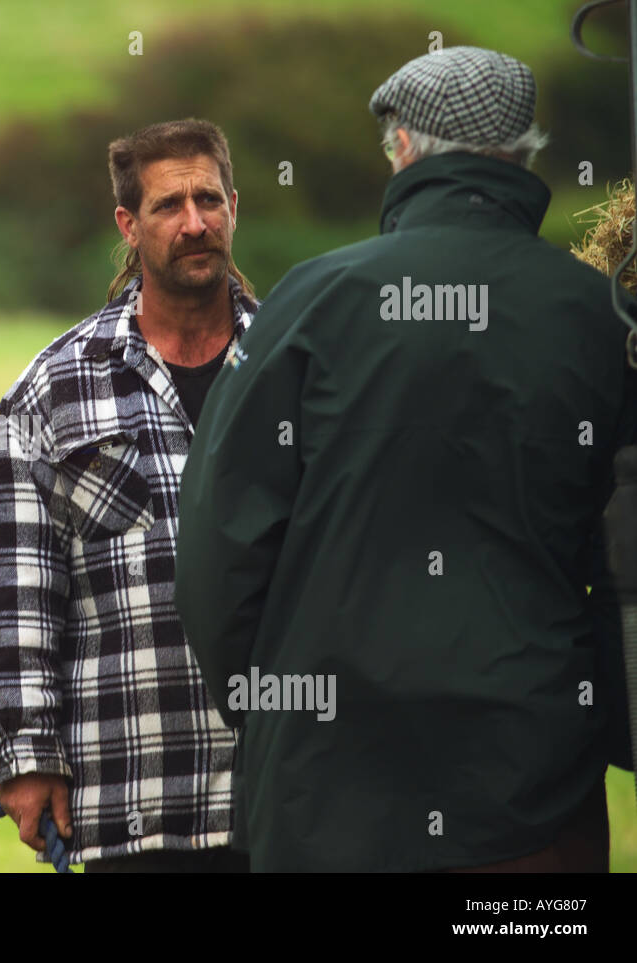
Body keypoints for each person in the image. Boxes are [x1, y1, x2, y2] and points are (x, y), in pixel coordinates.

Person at [175, 46, 637, 872]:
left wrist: (276, 712)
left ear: (403, 150)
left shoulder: (309, 302)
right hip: (536, 795)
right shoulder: (606, 319)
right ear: (526, 152)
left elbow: (218, 554)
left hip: (326, 794)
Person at [0, 119, 258, 871]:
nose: (194, 223)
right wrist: (28, 755)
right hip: (128, 799)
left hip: (280, 800)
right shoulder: (50, 389)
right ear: (129, 226)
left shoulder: (294, 368)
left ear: (235, 205)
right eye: (169, 206)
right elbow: (18, 592)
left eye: (209, 199)